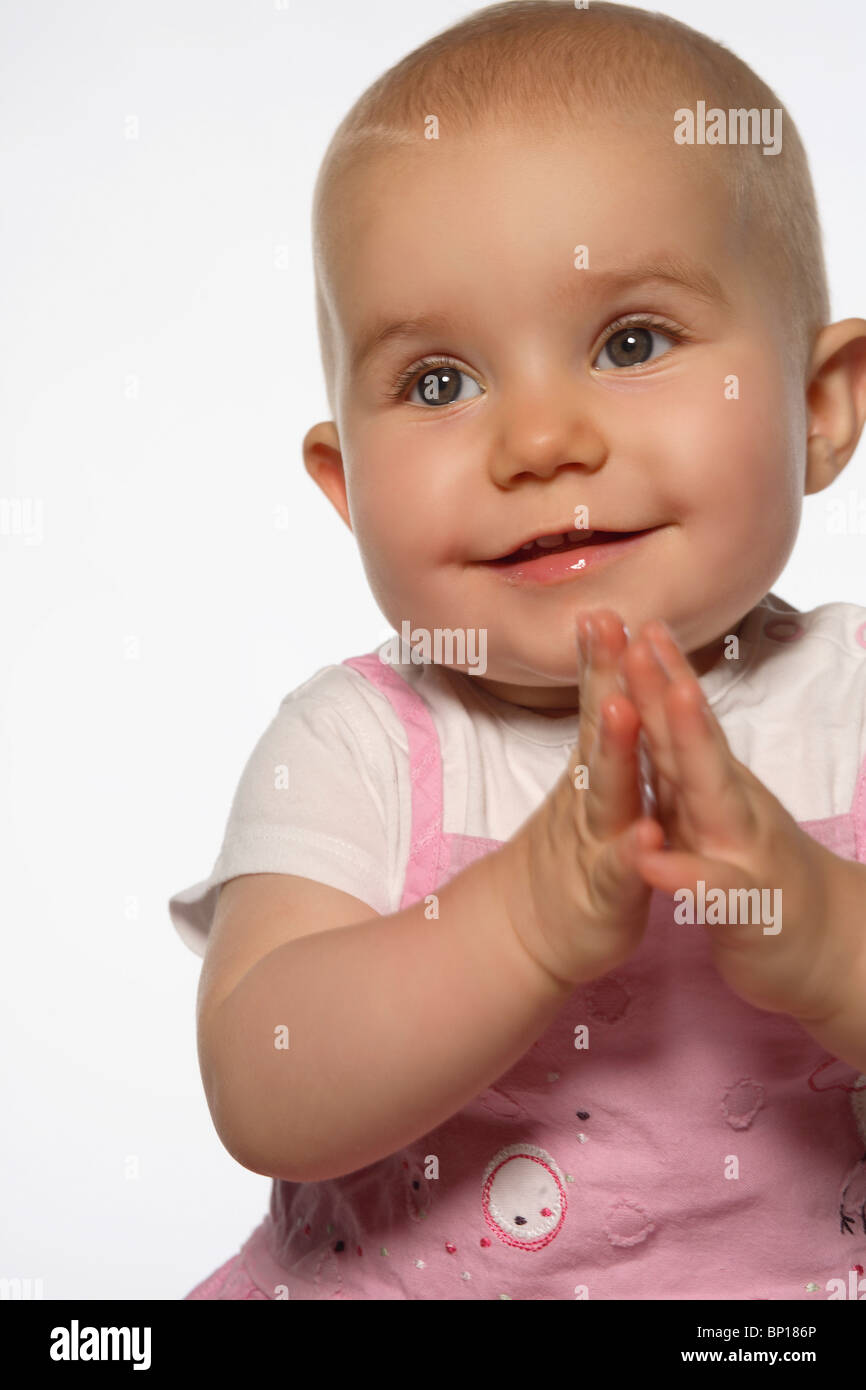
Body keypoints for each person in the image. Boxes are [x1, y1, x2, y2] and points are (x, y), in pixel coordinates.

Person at [169, 1, 866, 1299]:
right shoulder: (358, 743)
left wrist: (821, 923)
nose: (537, 439)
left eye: (631, 341)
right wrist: (527, 915)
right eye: (438, 382)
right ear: (345, 481)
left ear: (819, 408)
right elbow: (261, 1074)